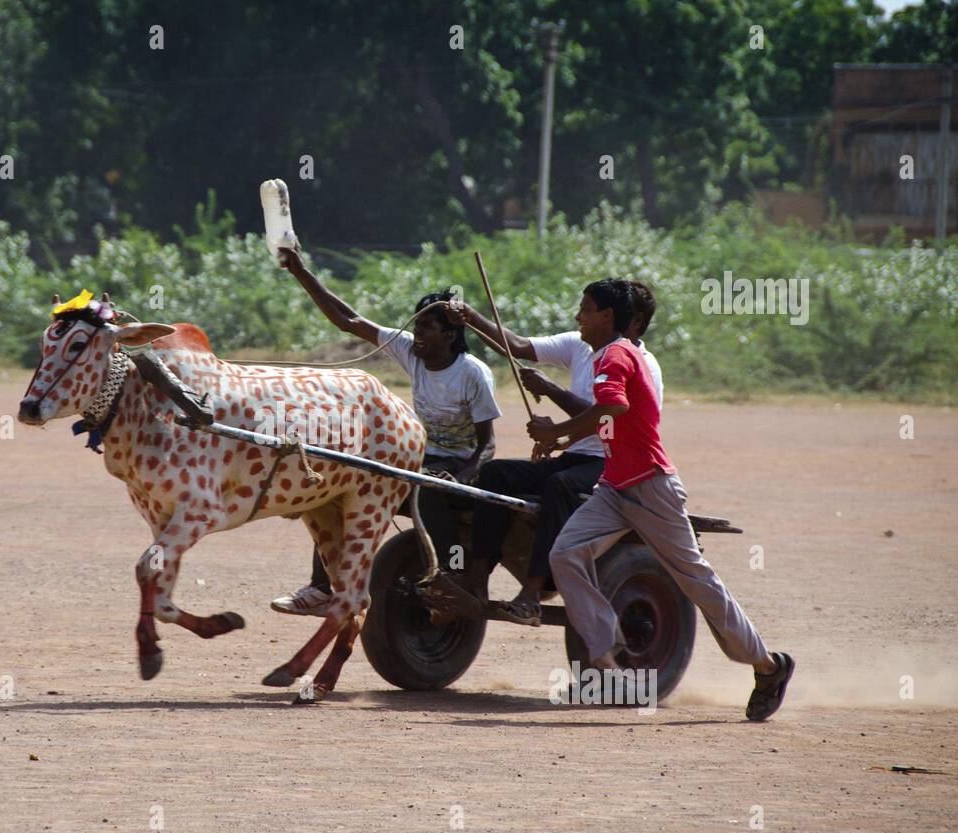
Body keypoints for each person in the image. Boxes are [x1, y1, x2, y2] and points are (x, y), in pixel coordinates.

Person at [529, 281, 795, 720]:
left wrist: (556, 432)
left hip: (651, 487)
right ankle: (606, 659)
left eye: (586, 309)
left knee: (694, 579)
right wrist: (562, 439)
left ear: (608, 317)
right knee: (565, 553)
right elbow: (610, 423)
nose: (578, 317)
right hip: (615, 488)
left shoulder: (615, 355)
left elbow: (611, 409)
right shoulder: (608, 356)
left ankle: (768, 665)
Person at [269, 247, 500, 617]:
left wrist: (460, 476)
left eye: (427, 326)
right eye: (417, 324)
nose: (417, 333)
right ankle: (322, 588)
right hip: (421, 457)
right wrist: (300, 270)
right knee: (344, 483)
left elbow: (487, 445)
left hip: (460, 469)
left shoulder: (472, 373)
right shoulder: (410, 351)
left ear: (451, 334)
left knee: (429, 487)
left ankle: (446, 577)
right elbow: (348, 320)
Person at [445, 280, 662, 625]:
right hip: (577, 459)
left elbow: (608, 418)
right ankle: (476, 580)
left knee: (560, 485)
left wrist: (554, 411)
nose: (578, 317)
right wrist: (469, 317)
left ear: (625, 319)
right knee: (494, 474)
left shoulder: (641, 365)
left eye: (586, 311)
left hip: (612, 464)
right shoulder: (581, 346)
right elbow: (515, 344)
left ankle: (532, 594)